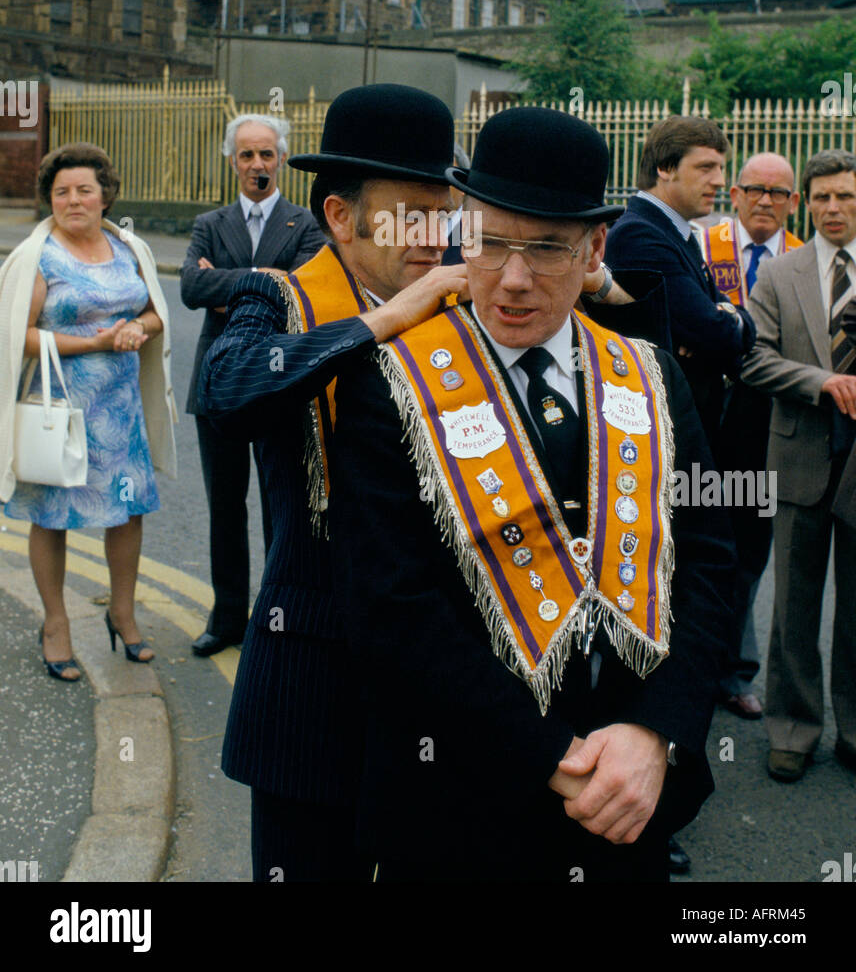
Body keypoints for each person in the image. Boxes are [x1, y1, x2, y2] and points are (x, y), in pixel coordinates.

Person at [199, 85, 668, 883]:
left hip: (448, 696)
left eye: (444, 214)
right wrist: (386, 319)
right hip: (321, 688)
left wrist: (589, 273)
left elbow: (617, 391)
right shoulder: (275, 293)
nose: (433, 236)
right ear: (342, 219)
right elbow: (227, 390)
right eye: (408, 215)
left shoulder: (477, 282)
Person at [326, 107, 735, 882]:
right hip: (456, 804)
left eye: (546, 248)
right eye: (490, 243)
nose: (513, 279)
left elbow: (709, 560)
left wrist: (655, 734)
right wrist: (554, 756)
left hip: (626, 800)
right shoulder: (389, 382)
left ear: (594, 251)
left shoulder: (650, 373)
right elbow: (389, 606)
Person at [0, 143, 177, 678]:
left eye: (84, 190)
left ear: (105, 197)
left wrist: (135, 329)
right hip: (59, 408)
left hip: (119, 410)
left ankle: (121, 614)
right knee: (50, 516)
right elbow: (18, 336)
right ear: (50, 200)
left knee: (127, 512)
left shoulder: (129, 248)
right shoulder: (38, 256)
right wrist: (95, 344)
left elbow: (154, 312)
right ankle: (56, 623)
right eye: (61, 192)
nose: (73, 200)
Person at [180, 113, 324, 657]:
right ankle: (227, 619)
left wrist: (233, 286)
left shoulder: (305, 224)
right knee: (225, 503)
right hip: (214, 381)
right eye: (246, 155)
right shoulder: (210, 223)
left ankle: (276, 618)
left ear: (280, 158)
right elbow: (192, 287)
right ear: (233, 161)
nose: (257, 164)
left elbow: (304, 292)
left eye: (266, 154)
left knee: (279, 503)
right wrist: (266, 282)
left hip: (278, 381)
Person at [740, 149, 856, 782]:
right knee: (794, 607)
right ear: (805, 204)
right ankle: (792, 728)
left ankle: (854, 730)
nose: (832, 209)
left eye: (844, 197)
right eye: (821, 199)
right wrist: (819, 381)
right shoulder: (780, 273)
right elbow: (752, 359)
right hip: (801, 454)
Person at [704, 154, 801, 721]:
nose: (766, 201)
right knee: (690, 543)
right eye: (756, 189)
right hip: (700, 415)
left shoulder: (800, 262)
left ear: (792, 204)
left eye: (780, 193)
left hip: (759, 426)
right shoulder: (700, 243)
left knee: (748, 554)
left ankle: (736, 671)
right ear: (735, 194)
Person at [606, 116, 755, 446]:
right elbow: (715, 331)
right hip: (668, 432)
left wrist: (725, 320)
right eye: (706, 167)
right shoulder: (640, 235)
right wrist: (726, 321)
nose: (719, 180)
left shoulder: (673, 230)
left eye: (720, 167)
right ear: (664, 167)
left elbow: (719, 326)